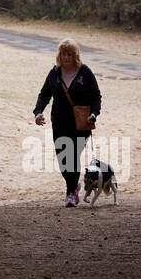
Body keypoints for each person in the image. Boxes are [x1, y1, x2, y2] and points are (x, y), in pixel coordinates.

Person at [33, 38, 102, 207]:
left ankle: (70, 193)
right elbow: (44, 94)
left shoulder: (84, 72)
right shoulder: (54, 73)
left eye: (69, 54)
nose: (66, 57)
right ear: (59, 55)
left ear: (75, 55)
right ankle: (74, 185)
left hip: (81, 123)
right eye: (63, 54)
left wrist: (94, 113)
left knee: (72, 156)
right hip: (59, 121)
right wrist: (38, 112)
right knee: (63, 158)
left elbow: (95, 95)